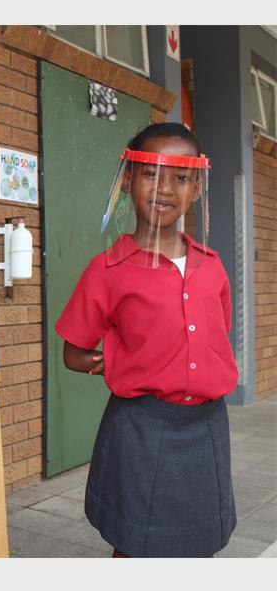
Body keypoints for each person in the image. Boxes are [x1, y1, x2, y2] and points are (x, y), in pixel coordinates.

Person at [56, 122, 238, 557]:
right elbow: (74, 353)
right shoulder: (107, 270)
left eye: (181, 177)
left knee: (200, 545)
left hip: (206, 428)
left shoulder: (212, 267)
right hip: (140, 428)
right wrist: (119, 361)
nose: (165, 188)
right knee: (135, 544)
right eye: (151, 173)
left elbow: (215, 339)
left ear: (197, 188)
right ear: (127, 180)